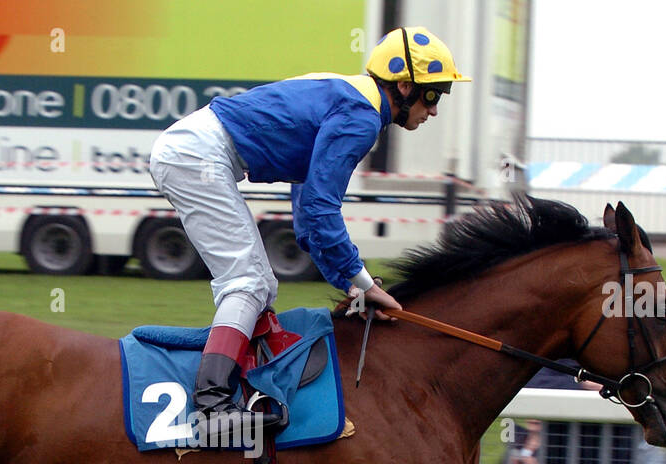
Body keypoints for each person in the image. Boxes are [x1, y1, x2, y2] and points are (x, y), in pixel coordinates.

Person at [149, 26, 470, 440]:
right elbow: (321, 208)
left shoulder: (347, 97)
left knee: (262, 283)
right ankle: (211, 406)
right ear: (405, 86)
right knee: (246, 284)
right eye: (433, 95)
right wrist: (363, 282)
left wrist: (351, 285)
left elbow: (307, 218)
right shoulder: (360, 118)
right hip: (196, 157)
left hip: (195, 151)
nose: (435, 110)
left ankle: (244, 383)